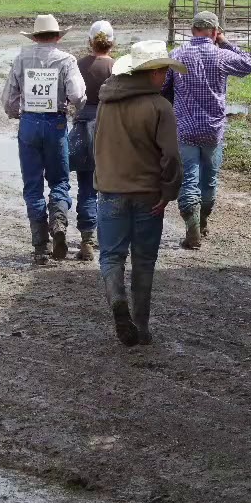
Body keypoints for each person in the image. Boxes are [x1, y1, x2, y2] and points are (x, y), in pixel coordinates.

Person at [93, 40, 185, 346]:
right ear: (153, 73)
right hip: (149, 195)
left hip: (110, 191)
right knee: (144, 261)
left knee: (111, 257)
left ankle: (118, 303)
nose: (166, 77)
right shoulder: (160, 107)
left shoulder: (107, 102)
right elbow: (170, 156)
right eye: (164, 72)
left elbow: (98, 144)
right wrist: (169, 190)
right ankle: (142, 327)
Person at [163, 10, 251, 250]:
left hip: (185, 129)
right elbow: (249, 65)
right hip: (213, 130)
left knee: (189, 180)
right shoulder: (221, 54)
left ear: (192, 30)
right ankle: (203, 222)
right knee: (210, 181)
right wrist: (224, 42)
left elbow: (164, 89)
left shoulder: (177, 55)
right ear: (215, 32)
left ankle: (191, 227)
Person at [1, 14, 88, 264]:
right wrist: (73, 109)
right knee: (60, 180)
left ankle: (40, 246)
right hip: (55, 122)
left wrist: (16, 114)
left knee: (32, 185)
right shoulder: (66, 60)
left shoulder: (22, 58)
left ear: (36, 37)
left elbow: (8, 98)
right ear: (58, 37)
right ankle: (58, 221)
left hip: (29, 122)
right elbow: (77, 94)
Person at [71, 20, 116, 261]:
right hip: (108, 130)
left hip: (82, 127)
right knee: (108, 188)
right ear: (112, 42)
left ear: (90, 41)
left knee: (86, 186)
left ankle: (86, 239)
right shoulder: (116, 67)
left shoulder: (79, 64)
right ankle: (106, 236)